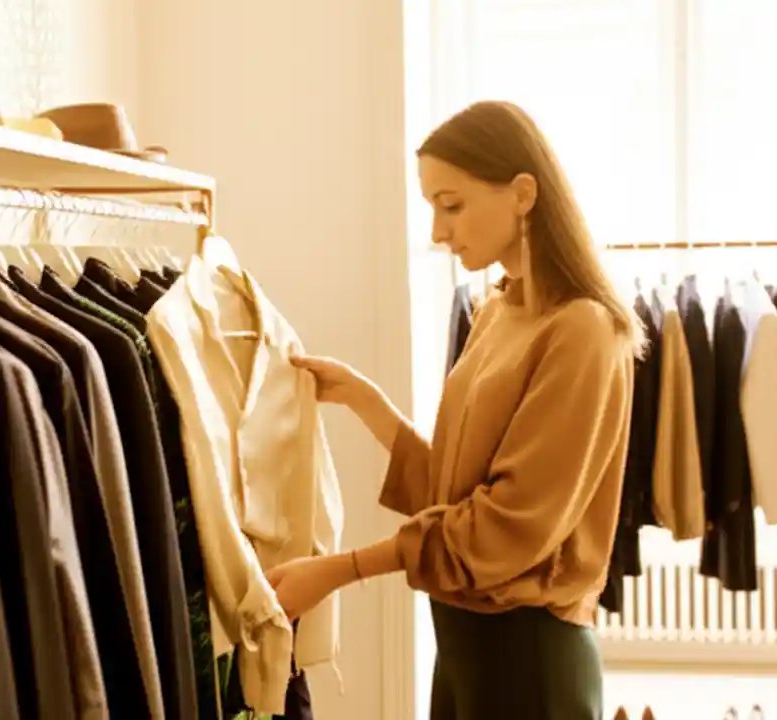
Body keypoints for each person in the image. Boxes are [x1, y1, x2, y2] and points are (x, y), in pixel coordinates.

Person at [267, 100, 643, 719]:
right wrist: (367, 402)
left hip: (530, 657)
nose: (439, 232)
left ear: (524, 192)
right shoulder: (497, 309)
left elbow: (509, 525)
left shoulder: (582, 329)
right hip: (464, 648)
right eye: (433, 209)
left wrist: (343, 569)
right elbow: (459, 489)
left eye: (453, 204)